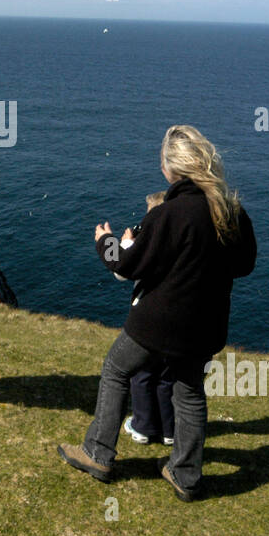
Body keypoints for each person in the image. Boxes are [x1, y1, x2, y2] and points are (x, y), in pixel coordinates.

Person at [58, 125, 257, 501]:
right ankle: (186, 475)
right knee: (190, 391)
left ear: (172, 169)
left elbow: (131, 263)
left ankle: (97, 453)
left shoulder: (172, 211)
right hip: (206, 324)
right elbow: (245, 263)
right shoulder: (231, 209)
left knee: (116, 368)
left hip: (161, 322)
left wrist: (105, 243)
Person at [119, 191, 177, 447]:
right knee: (167, 377)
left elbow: (121, 270)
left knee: (141, 373)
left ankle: (142, 426)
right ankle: (168, 430)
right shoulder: (183, 241)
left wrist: (118, 243)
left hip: (148, 319)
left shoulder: (148, 241)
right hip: (178, 321)